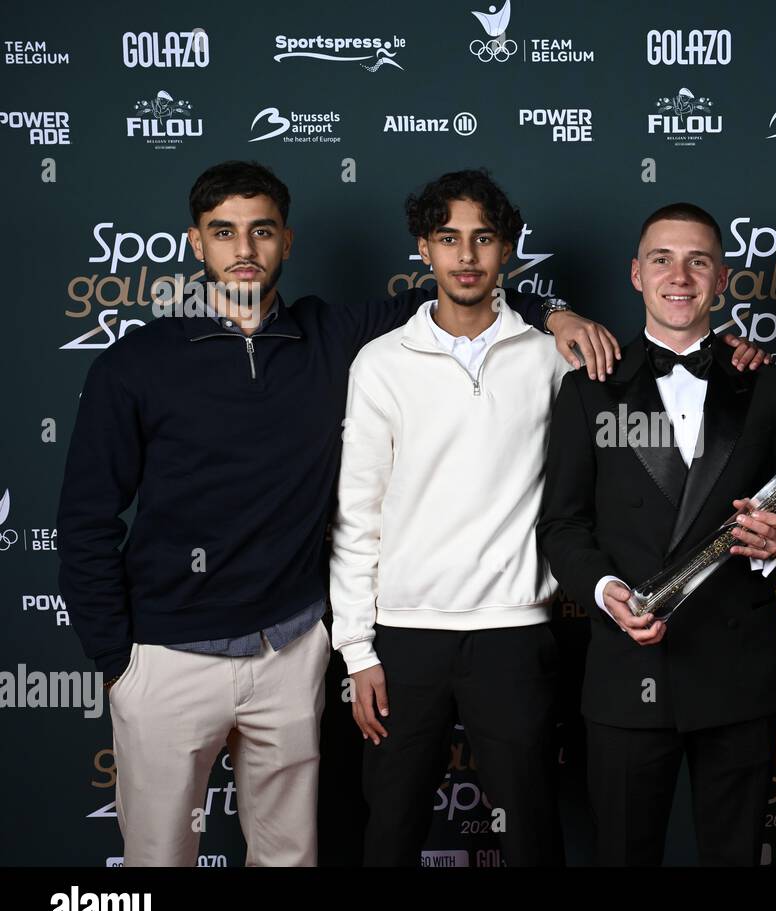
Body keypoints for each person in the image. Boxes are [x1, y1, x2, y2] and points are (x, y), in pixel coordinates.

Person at [54, 159, 643, 867]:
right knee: (158, 857)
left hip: (290, 651)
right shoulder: (137, 362)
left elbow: (468, 292)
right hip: (170, 655)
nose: (244, 249)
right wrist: (116, 660)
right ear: (195, 242)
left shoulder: (333, 336)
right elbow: (86, 520)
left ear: (287, 241)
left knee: (290, 857)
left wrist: (555, 312)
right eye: (224, 232)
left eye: (261, 231)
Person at [539, 203, 776, 866]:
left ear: (722, 279)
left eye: (698, 261)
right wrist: (605, 591)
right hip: (628, 670)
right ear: (637, 274)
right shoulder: (588, 391)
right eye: (662, 260)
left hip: (736, 672)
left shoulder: (769, 384)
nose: (679, 276)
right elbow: (563, 524)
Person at [330, 170, 570, 866]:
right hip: (406, 639)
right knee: (390, 829)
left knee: (531, 833)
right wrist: (358, 650)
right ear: (424, 248)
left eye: (483, 238)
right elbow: (358, 513)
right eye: (448, 238)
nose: (466, 256)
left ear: (508, 248)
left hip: (515, 632)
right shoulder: (381, 363)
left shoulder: (552, 357)